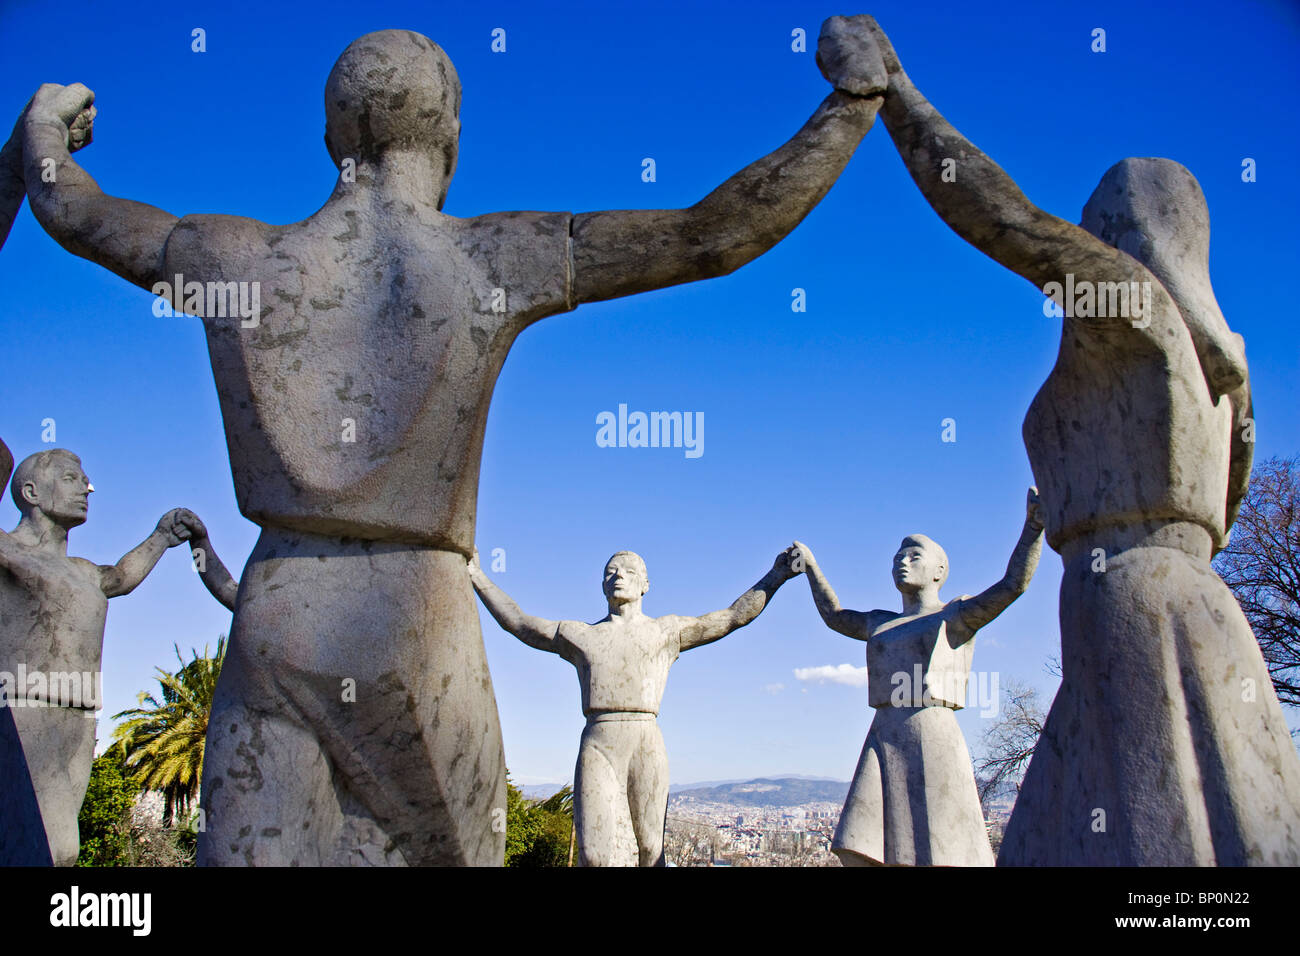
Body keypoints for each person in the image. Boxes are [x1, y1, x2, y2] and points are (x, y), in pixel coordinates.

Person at [15, 22, 891, 866]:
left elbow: (71, 208)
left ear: (332, 134)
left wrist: (45, 124)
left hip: (275, 608)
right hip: (415, 618)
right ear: (450, 133)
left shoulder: (228, 256)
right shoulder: (491, 258)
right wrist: (852, 102)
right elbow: (715, 234)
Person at [857, 15, 1300, 864]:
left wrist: (898, 98)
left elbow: (1006, 219)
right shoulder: (1225, 372)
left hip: (1129, 608)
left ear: (1128, 229)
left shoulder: (1137, 309)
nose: (1084, 240)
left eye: (1097, 224)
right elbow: (1229, 509)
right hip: (1174, 607)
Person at [468, 547, 801, 865]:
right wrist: (478, 577)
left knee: (651, 848)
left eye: (628, 572)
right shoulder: (581, 635)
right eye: (610, 572)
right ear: (601, 585)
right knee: (595, 854)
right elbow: (519, 623)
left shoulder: (666, 631)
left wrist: (776, 575)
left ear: (645, 585)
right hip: (599, 742)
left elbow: (731, 617)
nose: (618, 577)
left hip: (645, 740)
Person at [793, 488, 1042, 866]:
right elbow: (835, 615)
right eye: (897, 556)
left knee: (938, 849)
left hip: (932, 733)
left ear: (940, 570)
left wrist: (1033, 528)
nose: (901, 562)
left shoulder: (954, 616)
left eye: (914, 555)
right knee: (861, 850)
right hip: (884, 733)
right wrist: (811, 567)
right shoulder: (879, 622)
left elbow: (1012, 586)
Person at [0, 437, 202, 864]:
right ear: (30, 492)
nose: (87, 488)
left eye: (86, 480)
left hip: (79, 717)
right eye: (72, 478)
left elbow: (120, 578)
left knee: (40, 847)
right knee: (55, 849)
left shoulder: (85, 574)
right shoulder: (7, 551)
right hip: (23, 709)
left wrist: (163, 536)